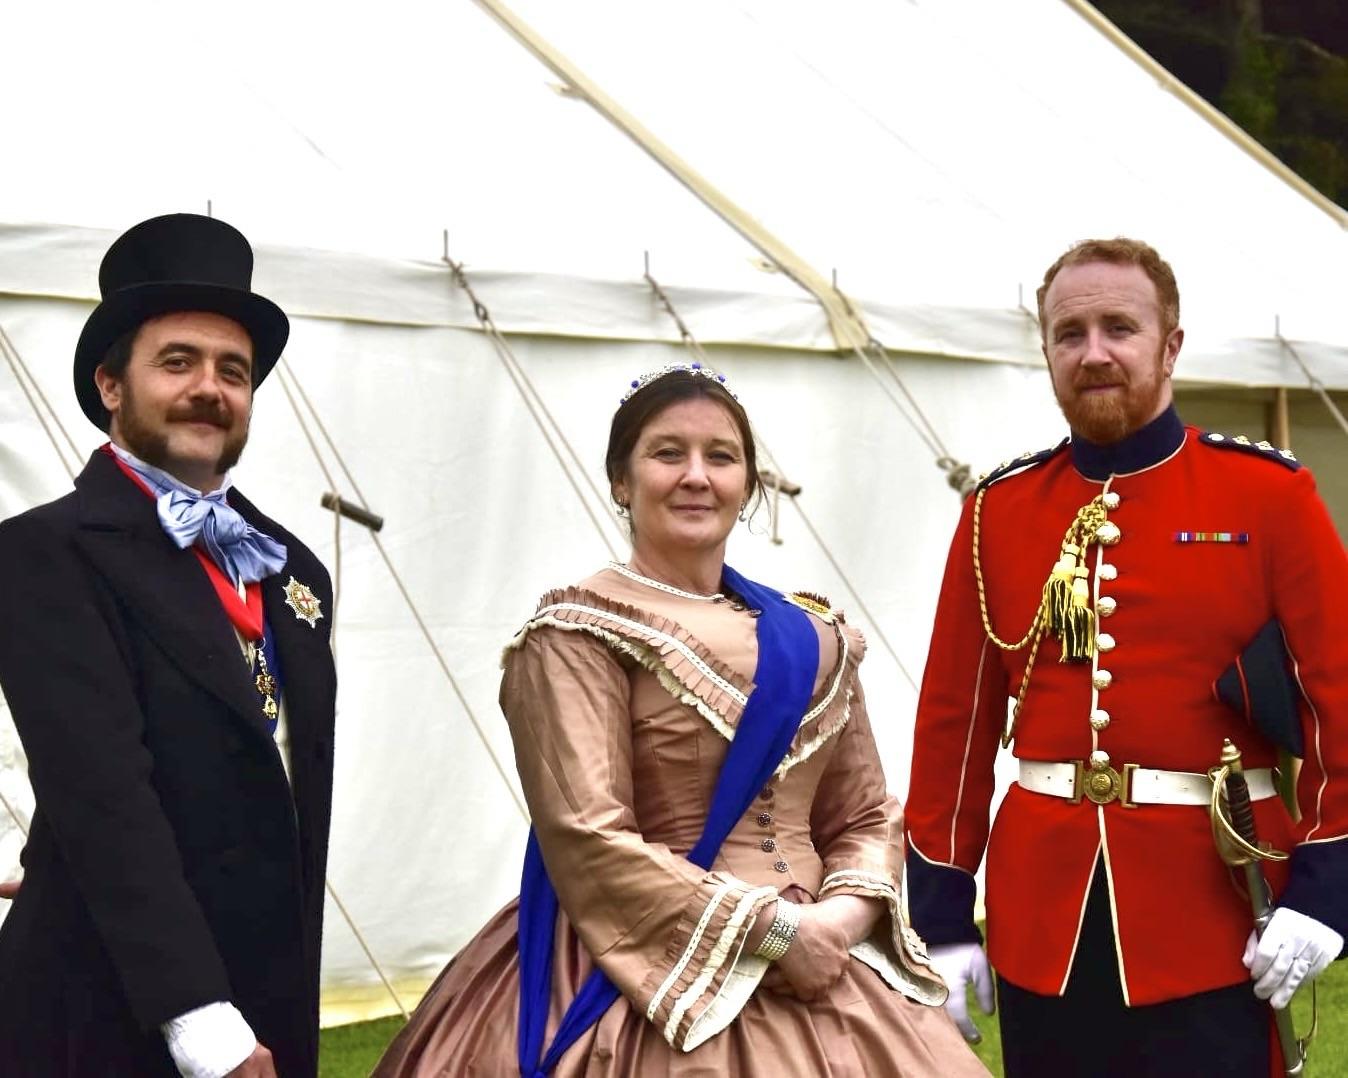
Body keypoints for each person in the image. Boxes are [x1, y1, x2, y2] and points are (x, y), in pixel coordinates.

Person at [377, 364, 985, 1076]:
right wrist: (778, 931)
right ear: (620, 482)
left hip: (832, 955)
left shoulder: (813, 635)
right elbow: (589, 836)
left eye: (721, 457)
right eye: (668, 454)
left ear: (748, 485)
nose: (696, 476)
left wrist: (840, 921)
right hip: (649, 966)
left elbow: (864, 813)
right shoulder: (577, 633)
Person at [905, 237, 1348, 1076]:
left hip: (1220, 914)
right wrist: (943, 917)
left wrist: (1327, 888)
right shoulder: (998, 510)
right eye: (1070, 334)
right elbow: (953, 731)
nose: (1094, 353)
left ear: (1170, 345)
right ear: (1046, 352)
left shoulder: (1267, 495)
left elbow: (1342, 700)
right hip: (1046, 922)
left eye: (1120, 328)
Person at [0, 214, 337, 1077]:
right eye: (177, 362)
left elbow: (290, 799)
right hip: (111, 1000)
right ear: (111, 386)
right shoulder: (43, 552)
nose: (209, 389)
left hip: (266, 989)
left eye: (234, 370)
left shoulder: (295, 567)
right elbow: (102, 793)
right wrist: (200, 1020)